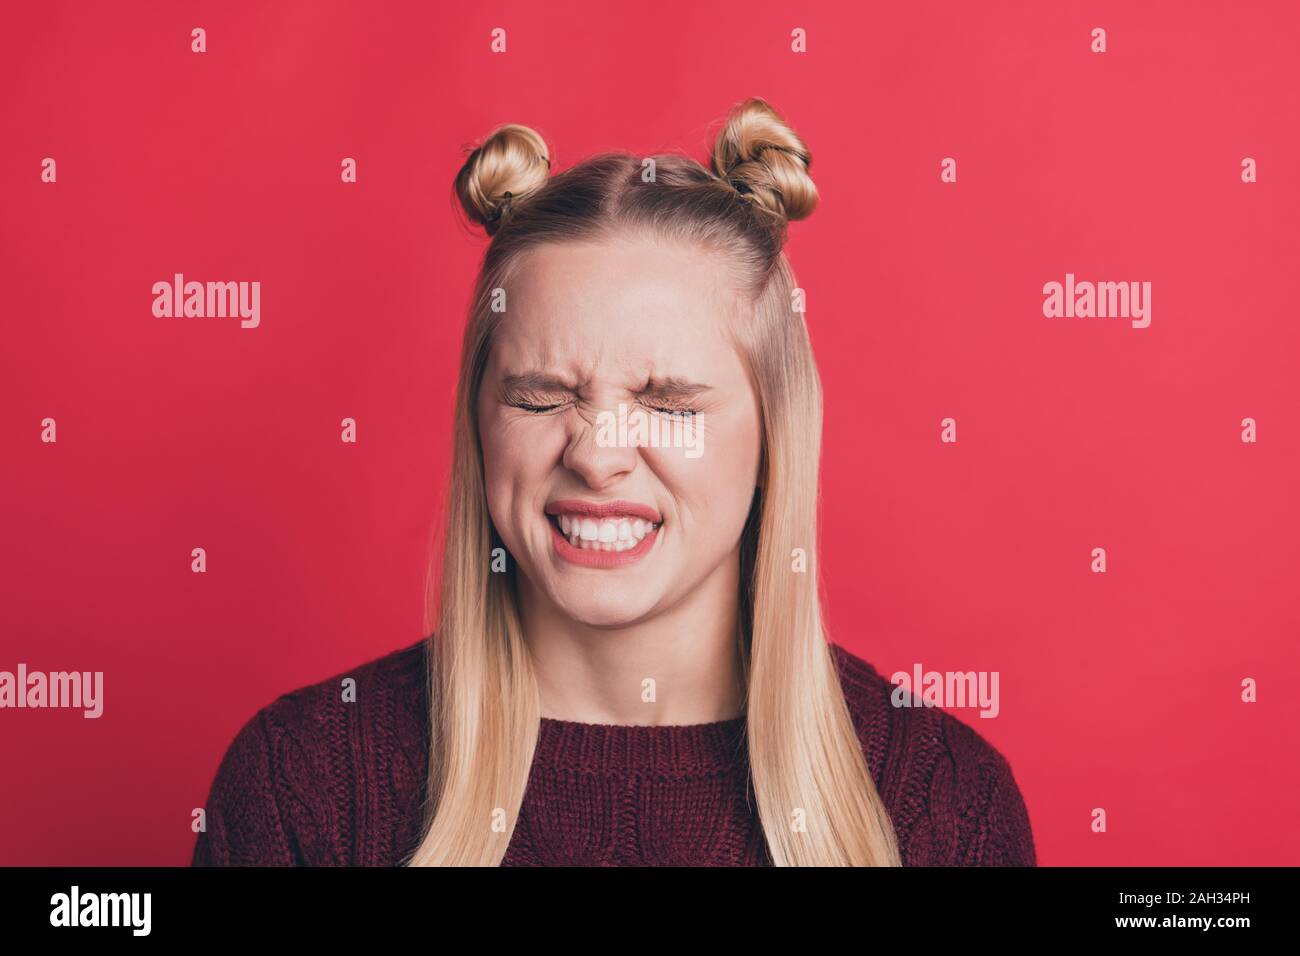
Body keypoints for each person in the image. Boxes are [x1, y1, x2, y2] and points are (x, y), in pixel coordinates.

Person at [192, 97, 1036, 867]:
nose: (598, 455)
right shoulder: (301, 784)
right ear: (479, 425)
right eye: (540, 395)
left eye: (667, 402)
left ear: (775, 436)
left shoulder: (943, 807)